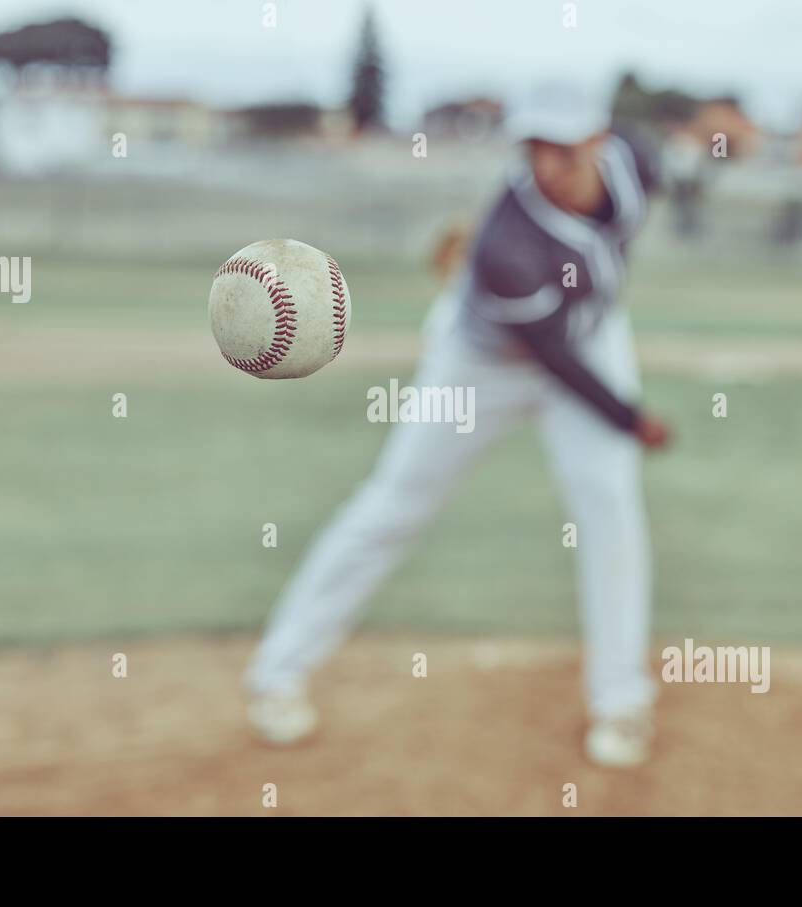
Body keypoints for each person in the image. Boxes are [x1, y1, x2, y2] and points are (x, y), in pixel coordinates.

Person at [245, 83, 672, 768]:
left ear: (598, 142)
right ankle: (277, 674)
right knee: (396, 503)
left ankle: (621, 702)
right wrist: (633, 418)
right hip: (485, 364)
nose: (547, 164)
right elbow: (552, 357)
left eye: (563, 149)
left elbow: (603, 265)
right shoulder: (509, 246)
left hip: (590, 336)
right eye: (534, 148)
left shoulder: (637, 163)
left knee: (610, 505)